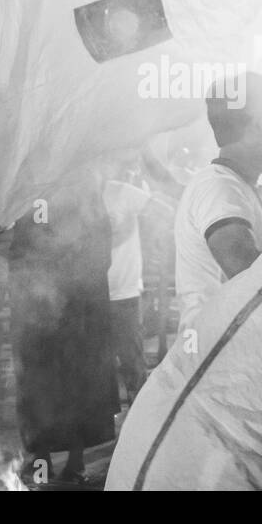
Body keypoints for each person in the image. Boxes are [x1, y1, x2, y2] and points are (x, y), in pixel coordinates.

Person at [10, 166, 118, 485]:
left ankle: (49, 461)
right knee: (74, 385)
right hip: (76, 313)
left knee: (47, 383)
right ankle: (72, 463)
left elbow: (27, 251)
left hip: (51, 315)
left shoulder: (44, 197)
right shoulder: (88, 198)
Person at [174, 72, 262, 332]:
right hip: (215, 356)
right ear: (257, 124)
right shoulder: (218, 187)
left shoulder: (243, 189)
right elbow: (247, 273)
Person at [102, 156, 152, 404]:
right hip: (92, 291)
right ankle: (106, 415)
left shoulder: (123, 193)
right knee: (99, 359)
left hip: (125, 290)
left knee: (131, 354)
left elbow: (161, 213)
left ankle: (141, 407)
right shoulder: (78, 199)